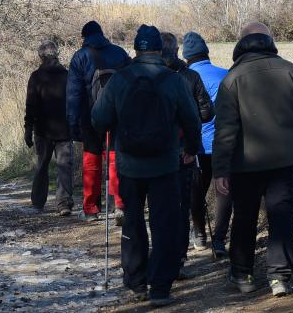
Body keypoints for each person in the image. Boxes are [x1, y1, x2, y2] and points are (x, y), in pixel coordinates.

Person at [212, 22, 293, 297]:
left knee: (244, 219)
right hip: (284, 162)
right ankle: (279, 278)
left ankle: (243, 275)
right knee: (281, 218)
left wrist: (221, 170)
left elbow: (225, 130)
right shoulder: (291, 71)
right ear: (270, 41)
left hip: (245, 164)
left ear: (241, 44)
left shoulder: (232, 78)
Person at [92, 25, 202, 308]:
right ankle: (160, 288)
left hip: (129, 164)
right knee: (164, 223)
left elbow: (100, 119)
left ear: (136, 49)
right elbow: (192, 119)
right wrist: (190, 149)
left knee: (133, 220)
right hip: (165, 165)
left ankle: (136, 282)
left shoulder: (120, 80)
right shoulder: (173, 80)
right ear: (158, 49)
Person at [159, 31, 214, 276]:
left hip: (156, 152)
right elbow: (206, 113)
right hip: (185, 151)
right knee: (182, 204)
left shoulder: (148, 77)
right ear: (177, 50)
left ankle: (160, 258)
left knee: (160, 206)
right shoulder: (190, 76)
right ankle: (178, 259)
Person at [66, 20, 130, 221]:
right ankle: (120, 206)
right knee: (115, 159)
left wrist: (72, 123)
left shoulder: (79, 57)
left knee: (91, 161)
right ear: (102, 34)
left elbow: (73, 94)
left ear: (84, 37)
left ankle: (91, 209)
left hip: (90, 117)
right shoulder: (120, 53)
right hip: (118, 116)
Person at [179, 31, 233, 260]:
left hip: (198, 146)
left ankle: (200, 233)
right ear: (206, 52)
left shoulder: (185, 78)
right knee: (224, 191)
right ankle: (219, 238)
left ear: (187, 56)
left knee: (196, 191)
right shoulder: (227, 75)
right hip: (225, 144)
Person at [24, 41, 74, 216]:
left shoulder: (36, 77)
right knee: (64, 167)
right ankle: (64, 203)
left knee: (42, 165)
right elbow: (74, 102)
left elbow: (30, 105)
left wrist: (28, 129)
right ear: (57, 55)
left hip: (42, 130)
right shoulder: (68, 76)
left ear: (41, 57)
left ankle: (38, 202)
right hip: (65, 129)